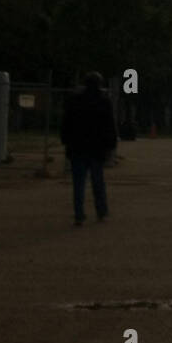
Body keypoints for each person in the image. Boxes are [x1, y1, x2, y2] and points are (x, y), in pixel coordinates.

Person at [60, 72, 117, 227]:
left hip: (77, 148)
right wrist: (111, 145)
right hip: (96, 148)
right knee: (98, 182)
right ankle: (101, 211)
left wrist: (65, 141)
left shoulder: (75, 101)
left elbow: (66, 123)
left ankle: (79, 214)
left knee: (78, 184)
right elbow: (109, 126)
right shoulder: (104, 102)